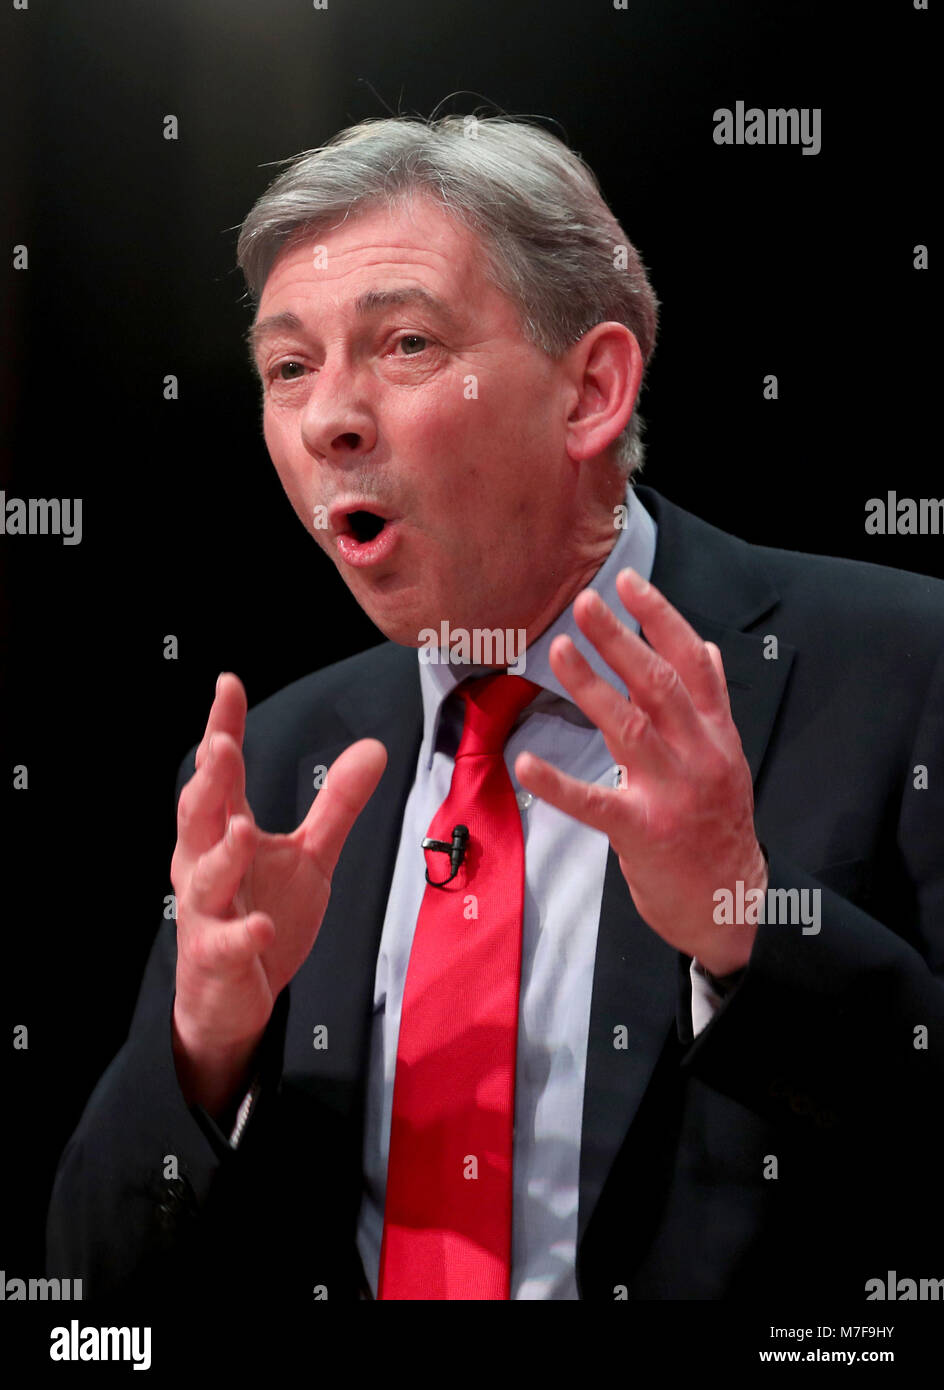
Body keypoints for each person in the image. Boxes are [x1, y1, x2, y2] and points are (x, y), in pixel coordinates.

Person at [46, 115, 944, 1303]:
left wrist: (742, 927)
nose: (327, 421)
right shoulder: (275, 764)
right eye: (288, 368)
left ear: (590, 389)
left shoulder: (900, 664)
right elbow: (93, 1297)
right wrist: (204, 1051)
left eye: (403, 343)